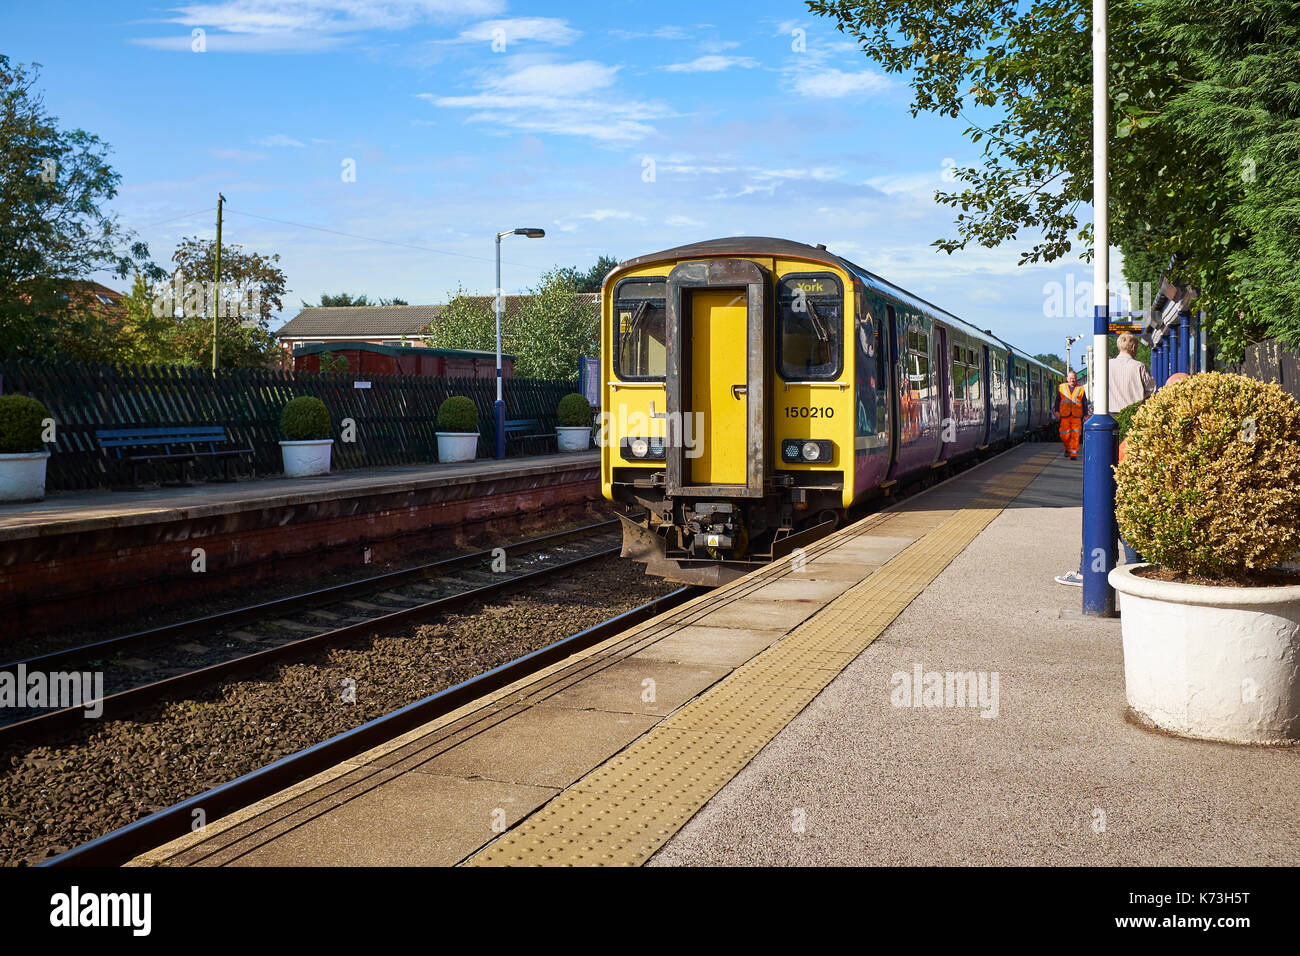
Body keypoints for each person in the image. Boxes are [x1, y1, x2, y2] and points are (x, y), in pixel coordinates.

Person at [1054, 333, 1158, 587]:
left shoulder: (1105, 366)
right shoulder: (1140, 367)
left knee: (1101, 498)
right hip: (1133, 432)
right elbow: (1153, 394)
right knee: (1127, 497)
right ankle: (1133, 564)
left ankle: (1089, 569)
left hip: (1105, 435)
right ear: (1133, 347)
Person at [1052, 369, 1090, 460]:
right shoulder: (1061, 387)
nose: (1073, 380)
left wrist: (1085, 414)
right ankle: (1067, 448)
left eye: (1074, 378)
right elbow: (1057, 400)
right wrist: (1057, 410)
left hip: (1076, 416)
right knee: (1064, 434)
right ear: (1067, 379)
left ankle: (1073, 454)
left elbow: (1084, 402)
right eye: (1071, 378)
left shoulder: (1080, 389)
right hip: (1064, 415)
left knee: (1075, 435)